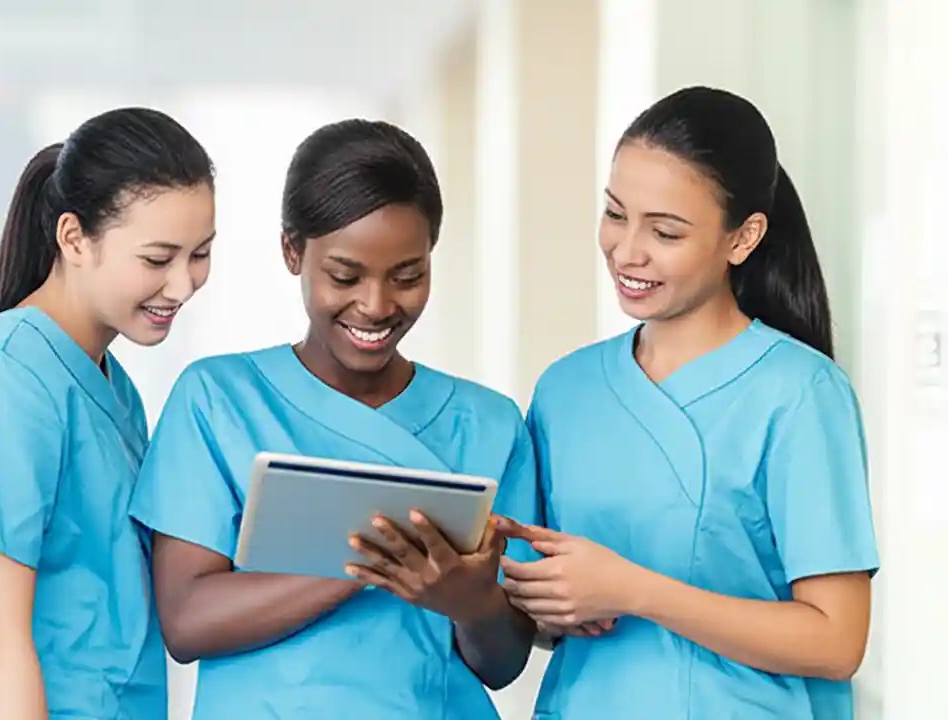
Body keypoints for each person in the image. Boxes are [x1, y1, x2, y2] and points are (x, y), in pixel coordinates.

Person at [129, 119, 538, 719]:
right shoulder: (220, 400)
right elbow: (186, 621)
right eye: (345, 276)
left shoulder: (489, 425)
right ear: (292, 251)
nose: (376, 305)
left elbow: (504, 663)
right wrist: (367, 564)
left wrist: (470, 602)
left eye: (408, 276)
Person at [496, 86, 879, 719]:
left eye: (665, 231)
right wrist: (538, 604)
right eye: (615, 214)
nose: (627, 251)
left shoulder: (800, 393)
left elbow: (837, 642)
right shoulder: (566, 391)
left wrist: (636, 591)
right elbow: (529, 605)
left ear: (743, 238)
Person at [0, 107, 216, 720]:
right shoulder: (10, 380)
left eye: (199, 254)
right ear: (74, 238)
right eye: (157, 259)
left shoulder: (114, 390)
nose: (183, 285)